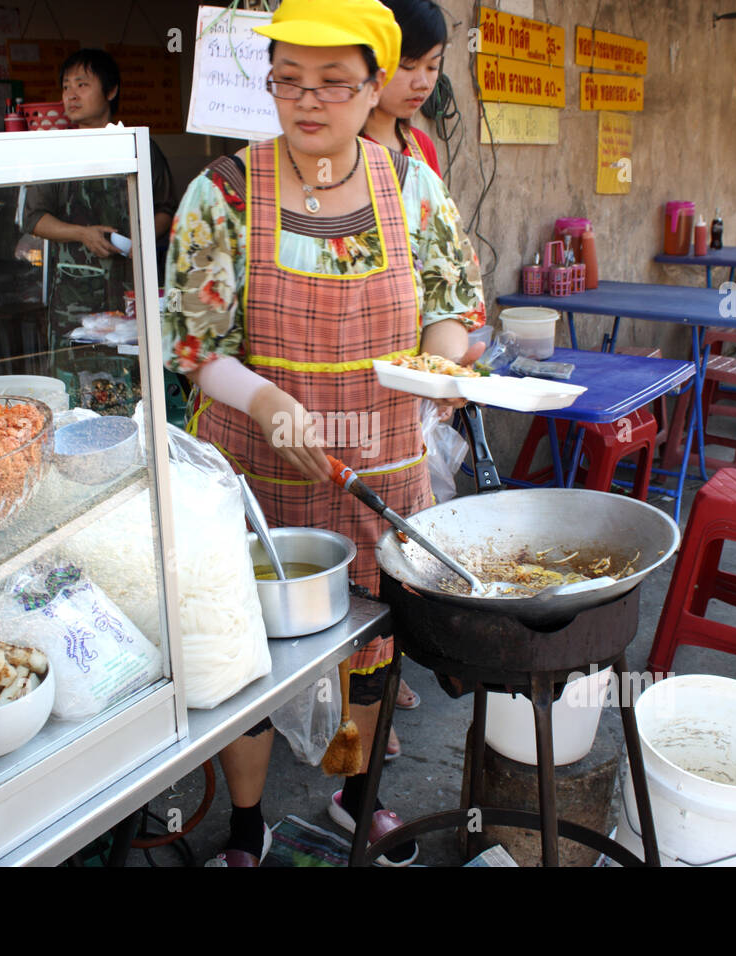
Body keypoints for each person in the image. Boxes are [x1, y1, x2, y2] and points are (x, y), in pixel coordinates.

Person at [161, 0, 484, 867]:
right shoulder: (222, 192)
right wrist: (269, 404)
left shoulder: (412, 184)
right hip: (256, 466)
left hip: (379, 465)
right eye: (288, 82)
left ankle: (357, 797)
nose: (308, 102)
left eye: (335, 84)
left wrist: (443, 371)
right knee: (248, 649)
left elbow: (452, 309)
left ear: (375, 86)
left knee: (375, 643)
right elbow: (195, 343)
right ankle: (243, 822)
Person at [362, 0, 448, 759]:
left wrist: (442, 361)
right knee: (344, 546)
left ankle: (379, 680)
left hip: (405, 391)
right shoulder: (334, 149)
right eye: (405, 66)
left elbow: (442, 273)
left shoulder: (420, 154)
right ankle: (342, 699)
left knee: (397, 546)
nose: (419, 81)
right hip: (336, 386)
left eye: (432, 66)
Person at [22, 49, 177, 399]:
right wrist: (82, 234)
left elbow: (166, 209)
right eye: (65, 87)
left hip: (131, 292)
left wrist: (139, 239)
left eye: (82, 84)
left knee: (135, 388)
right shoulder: (57, 151)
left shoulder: (139, 148)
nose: (70, 95)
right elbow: (34, 219)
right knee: (77, 387)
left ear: (110, 91)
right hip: (74, 303)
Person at [362, 0, 445, 175]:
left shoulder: (423, 146)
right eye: (408, 65)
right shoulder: (342, 152)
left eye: (432, 66)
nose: (422, 83)